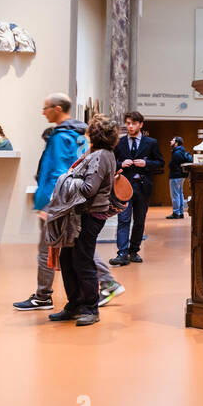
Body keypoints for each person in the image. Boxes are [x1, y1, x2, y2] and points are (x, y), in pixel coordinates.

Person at [14, 93, 123, 311]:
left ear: (57, 108)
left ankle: (44, 295)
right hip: (65, 202)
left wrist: (51, 205)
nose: (43, 112)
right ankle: (104, 284)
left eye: (45, 108)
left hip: (57, 202)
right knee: (75, 247)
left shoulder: (63, 137)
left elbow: (61, 172)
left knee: (54, 248)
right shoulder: (77, 135)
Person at [42, 114, 122, 326]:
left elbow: (88, 189)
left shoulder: (101, 156)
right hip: (79, 215)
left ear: (94, 134)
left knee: (82, 261)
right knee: (68, 260)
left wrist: (64, 180)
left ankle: (90, 307)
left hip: (89, 216)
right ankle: (74, 305)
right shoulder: (98, 153)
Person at [110, 110, 165, 266]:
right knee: (123, 219)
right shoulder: (119, 143)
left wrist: (146, 163)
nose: (130, 126)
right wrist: (121, 164)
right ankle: (122, 253)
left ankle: (134, 251)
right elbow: (111, 163)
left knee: (139, 221)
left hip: (143, 187)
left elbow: (161, 164)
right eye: (128, 123)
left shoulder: (151, 143)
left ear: (140, 125)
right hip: (123, 187)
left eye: (133, 123)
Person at [165, 136, 193, 219]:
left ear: (176, 143)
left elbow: (172, 164)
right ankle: (180, 212)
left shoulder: (176, 152)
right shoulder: (181, 151)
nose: (170, 141)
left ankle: (176, 213)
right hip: (181, 176)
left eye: (172, 140)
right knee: (180, 193)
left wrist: (169, 165)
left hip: (175, 176)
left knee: (175, 195)